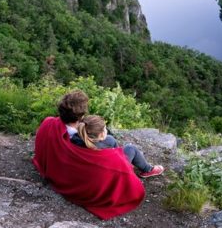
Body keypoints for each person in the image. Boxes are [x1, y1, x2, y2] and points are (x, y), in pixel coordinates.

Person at [33, 90, 146, 220]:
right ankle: (148, 169)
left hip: (59, 172)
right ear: (82, 116)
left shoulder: (48, 123)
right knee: (126, 148)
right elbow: (115, 171)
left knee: (111, 141)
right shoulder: (87, 147)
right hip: (79, 181)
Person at [72, 115, 164, 178]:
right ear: (101, 135)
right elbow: (116, 150)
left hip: (88, 171)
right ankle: (148, 169)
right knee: (131, 148)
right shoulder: (108, 140)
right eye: (105, 128)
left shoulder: (75, 140)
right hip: (109, 174)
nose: (106, 130)